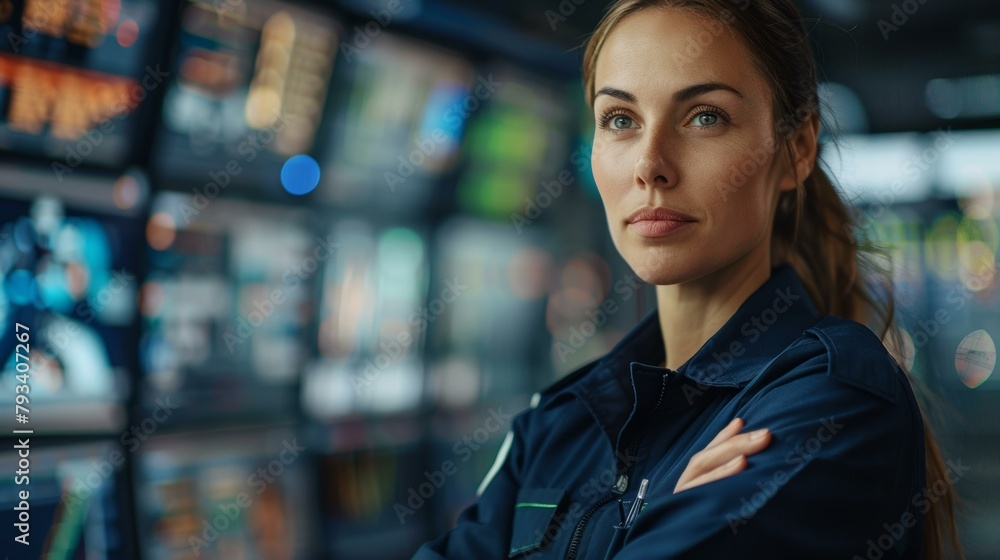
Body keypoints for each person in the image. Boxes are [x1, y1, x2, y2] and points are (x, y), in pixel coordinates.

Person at [411, 1, 964, 558]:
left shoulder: (831, 401)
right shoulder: (558, 424)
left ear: (796, 149)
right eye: (620, 120)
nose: (650, 165)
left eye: (705, 116)